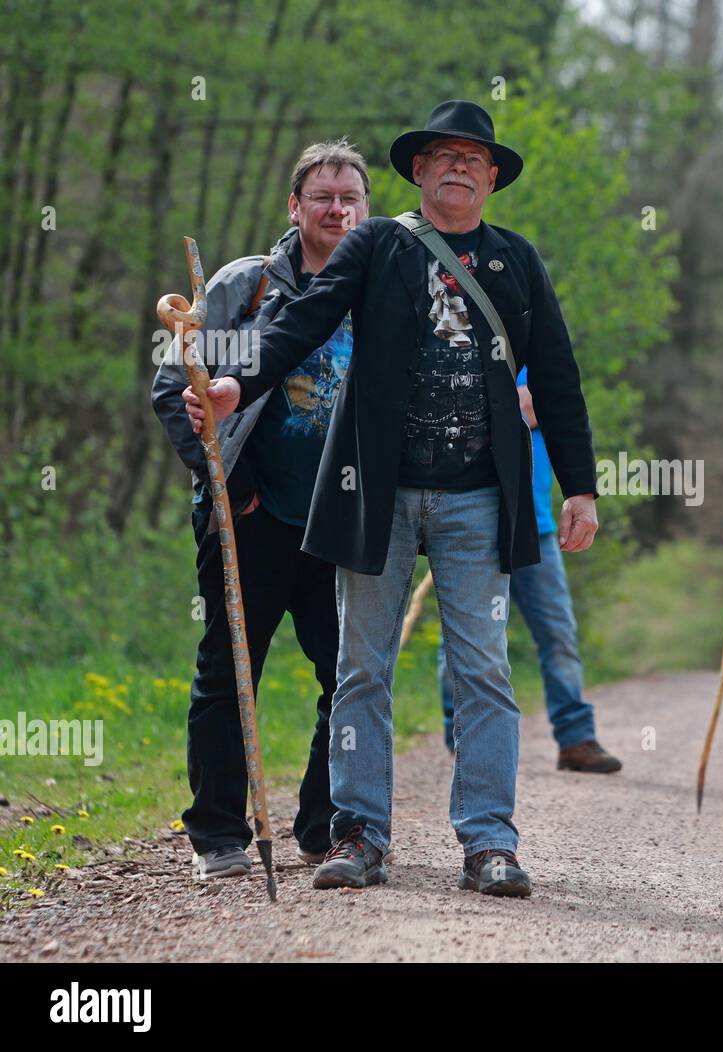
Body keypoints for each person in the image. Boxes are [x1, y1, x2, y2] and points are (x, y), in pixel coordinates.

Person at [184, 100, 599, 898]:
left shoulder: (517, 262)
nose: (458, 167)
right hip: (377, 494)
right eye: (442, 155)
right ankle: (358, 833)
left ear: (491, 178)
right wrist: (238, 380)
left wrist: (579, 486)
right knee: (360, 670)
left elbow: (557, 378)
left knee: (484, 671)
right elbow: (301, 318)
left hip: (481, 497)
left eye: (473, 159)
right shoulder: (378, 245)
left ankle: (488, 844)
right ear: (416, 170)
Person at [152, 140, 371, 879]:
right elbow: (171, 390)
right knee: (229, 668)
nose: (337, 209)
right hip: (248, 512)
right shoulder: (245, 286)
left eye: (349, 198)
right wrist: (225, 482)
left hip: (340, 521)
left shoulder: (376, 289)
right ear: (295, 206)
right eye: (323, 197)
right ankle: (217, 834)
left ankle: (319, 825)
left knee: (345, 677)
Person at [437, 367, 622, 774]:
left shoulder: (535, 358)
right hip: (473, 524)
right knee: (460, 636)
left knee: (558, 635)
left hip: (536, 528)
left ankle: (576, 738)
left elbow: (558, 409)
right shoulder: (462, 350)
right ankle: (460, 734)